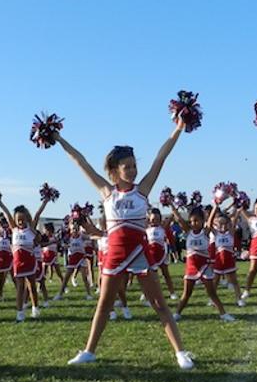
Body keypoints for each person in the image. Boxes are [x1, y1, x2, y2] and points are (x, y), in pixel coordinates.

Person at [51, 114, 195, 369]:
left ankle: (180, 352)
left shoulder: (143, 190)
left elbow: (161, 157)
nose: (132, 170)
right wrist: (60, 139)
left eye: (133, 165)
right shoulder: (106, 192)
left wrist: (178, 129)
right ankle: (89, 351)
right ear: (115, 170)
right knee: (104, 305)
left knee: (159, 304)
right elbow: (80, 161)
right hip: (114, 254)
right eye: (126, 166)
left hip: (140, 252)